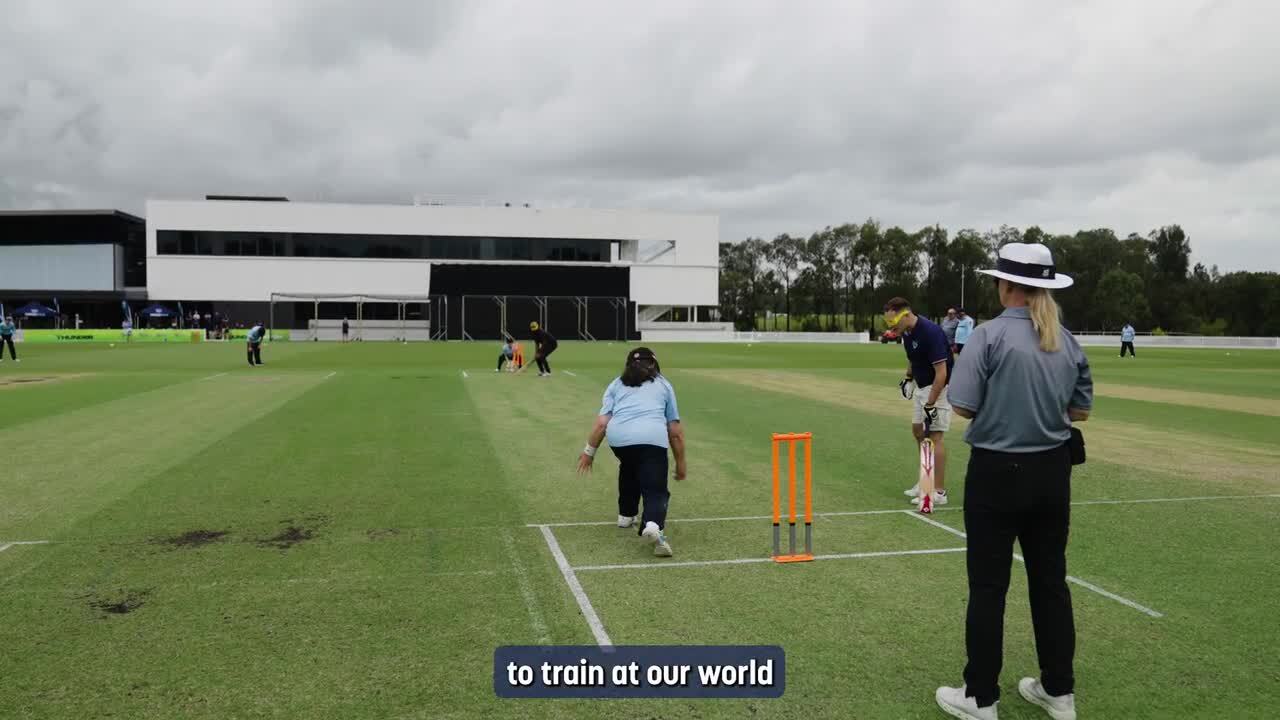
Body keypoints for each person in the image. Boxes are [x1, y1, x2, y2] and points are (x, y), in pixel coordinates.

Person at [933, 242, 1092, 720]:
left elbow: (962, 406)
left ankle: (981, 696)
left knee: (988, 588)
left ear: (1007, 286)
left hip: (996, 472)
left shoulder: (986, 335)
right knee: (1050, 584)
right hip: (1052, 472)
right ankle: (1058, 692)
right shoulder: (1065, 337)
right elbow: (1080, 409)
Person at [576, 347, 686, 557]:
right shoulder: (663, 384)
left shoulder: (616, 384)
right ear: (654, 364)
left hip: (619, 440)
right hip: (652, 438)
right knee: (655, 489)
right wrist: (681, 463)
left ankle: (626, 515)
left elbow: (602, 424)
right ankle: (653, 526)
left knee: (629, 465)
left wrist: (589, 452)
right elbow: (674, 431)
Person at [884, 297, 954, 510]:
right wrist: (908, 378)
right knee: (918, 431)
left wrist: (931, 403)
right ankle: (925, 480)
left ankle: (938, 491)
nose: (891, 326)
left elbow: (942, 373)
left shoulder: (929, 332)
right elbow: (913, 358)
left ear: (905, 314)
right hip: (921, 386)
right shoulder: (906, 332)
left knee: (935, 436)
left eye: (892, 321)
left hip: (939, 388)